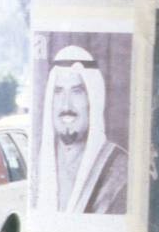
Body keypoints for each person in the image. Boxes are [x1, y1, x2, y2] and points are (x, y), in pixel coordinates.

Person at [37, 44, 129, 214]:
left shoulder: (120, 169)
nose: (66, 104)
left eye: (77, 92)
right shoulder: (37, 164)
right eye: (58, 92)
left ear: (92, 101)